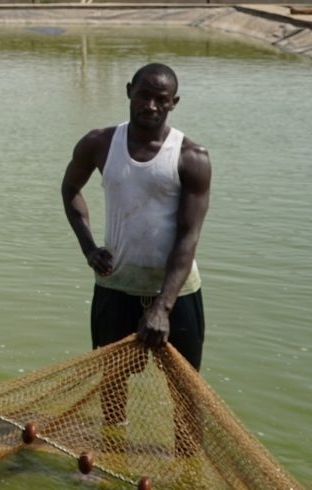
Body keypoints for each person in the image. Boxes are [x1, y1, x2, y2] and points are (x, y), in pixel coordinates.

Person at [61, 63, 211, 450]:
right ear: (129, 91)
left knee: (184, 391)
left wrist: (163, 306)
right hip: (117, 286)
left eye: (162, 99)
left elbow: (188, 234)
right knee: (112, 386)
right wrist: (88, 247)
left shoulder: (192, 157)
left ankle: (184, 467)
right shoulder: (98, 144)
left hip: (177, 294)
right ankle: (113, 461)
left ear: (174, 103)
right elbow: (70, 189)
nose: (151, 105)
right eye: (144, 94)